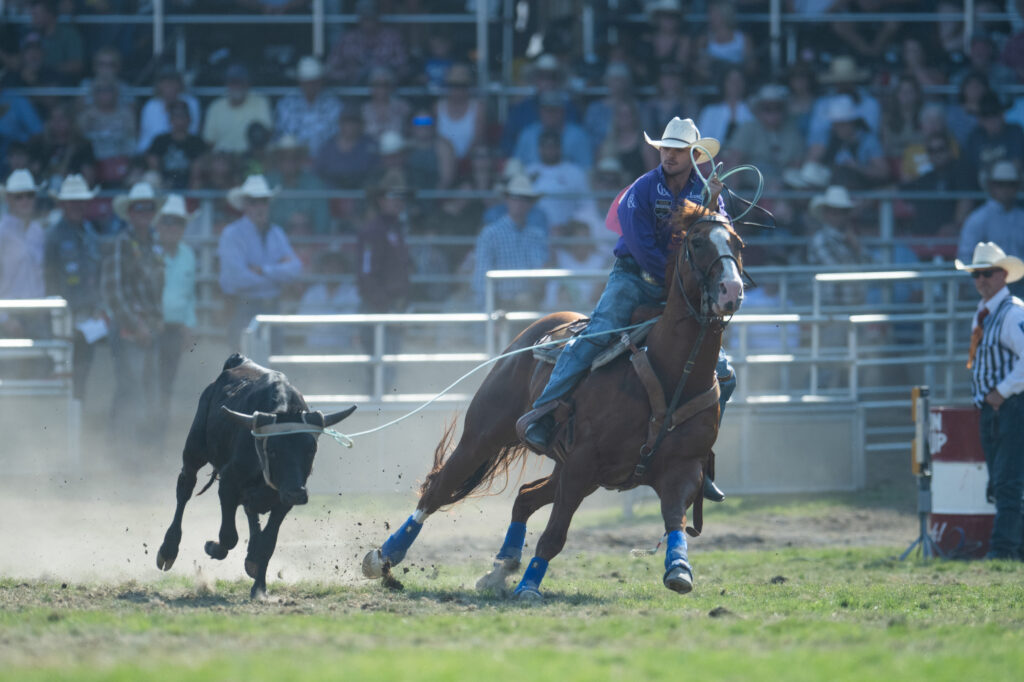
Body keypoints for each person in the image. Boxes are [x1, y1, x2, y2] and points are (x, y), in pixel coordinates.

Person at [520, 117, 733, 504]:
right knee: (596, 335)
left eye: (677, 150)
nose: (668, 155)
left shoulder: (710, 192)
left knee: (722, 372)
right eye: (664, 149)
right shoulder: (642, 189)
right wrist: (676, 285)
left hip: (679, 289)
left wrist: (713, 204)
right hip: (635, 279)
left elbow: (720, 236)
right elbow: (639, 246)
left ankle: (699, 458)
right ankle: (542, 413)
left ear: (693, 156)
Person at [956, 241, 1024, 560]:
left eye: (986, 273)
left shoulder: (1012, 314)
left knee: (1007, 482)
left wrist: (1004, 390)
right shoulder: (985, 315)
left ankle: (1003, 550)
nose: (981, 280)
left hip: (1011, 408)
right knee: (1002, 482)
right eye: (976, 274)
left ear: (1002, 276)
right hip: (996, 409)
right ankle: (1013, 548)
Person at [101, 182, 165, 449]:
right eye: (139, 208)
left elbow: (156, 290)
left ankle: (138, 448)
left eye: (148, 208)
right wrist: (136, 326)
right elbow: (113, 293)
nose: (144, 213)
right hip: (130, 328)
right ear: (130, 212)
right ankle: (119, 446)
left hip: (148, 327)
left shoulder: (153, 244)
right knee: (129, 385)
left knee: (147, 386)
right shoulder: (121, 244)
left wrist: (156, 320)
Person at [218, 174, 303, 349]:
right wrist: (278, 273)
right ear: (245, 205)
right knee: (245, 369)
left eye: (263, 201)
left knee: (273, 367)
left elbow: (295, 268)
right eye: (253, 202)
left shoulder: (276, 233)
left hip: (271, 308)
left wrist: (262, 270)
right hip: (243, 307)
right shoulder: (232, 234)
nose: (259, 207)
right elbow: (236, 279)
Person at [44, 174, 104, 400]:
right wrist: (56, 318)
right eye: (72, 201)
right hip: (63, 317)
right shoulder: (54, 235)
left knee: (82, 372)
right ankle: (68, 423)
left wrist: (98, 306)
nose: (77, 206)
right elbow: (49, 279)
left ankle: (76, 422)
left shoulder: (90, 234)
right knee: (65, 373)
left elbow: (97, 275)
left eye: (80, 201)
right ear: (63, 204)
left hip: (88, 317)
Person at [472, 175, 548, 309]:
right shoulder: (491, 233)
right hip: (500, 304)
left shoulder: (537, 235)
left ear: (530, 204)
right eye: (515, 198)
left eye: (524, 199)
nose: (519, 203)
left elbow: (539, 273)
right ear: (507, 200)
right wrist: (489, 310)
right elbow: (481, 278)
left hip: (529, 303)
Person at [154, 194, 196, 417]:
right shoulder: (148, 252)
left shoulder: (188, 255)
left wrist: (188, 325)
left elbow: (190, 295)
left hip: (174, 330)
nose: (172, 227)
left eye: (178, 222)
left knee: (167, 383)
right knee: (149, 382)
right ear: (159, 224)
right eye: (168, 221)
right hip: (151, 327)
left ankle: (159, 433)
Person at [957, 161, 1024, 296]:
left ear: (1017, 187)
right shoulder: (978, 219)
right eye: (1000, 183)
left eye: (1010, 184)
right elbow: (966, 259)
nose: (1005, 188)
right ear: (990, 186)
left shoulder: (1021, 217)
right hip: (988, 289)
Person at [0, 170, 46, 339]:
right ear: (9, 199)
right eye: (19, 196)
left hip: (37, 315)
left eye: (29, 195)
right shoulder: (1, 233)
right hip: (8, 316)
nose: (25, 200)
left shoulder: (38, 231)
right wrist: (3, 319)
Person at [274, 56, 343, 155]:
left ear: (321, 81)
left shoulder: (334, 105)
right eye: (306, 81)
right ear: (300, 82)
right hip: (293, 161)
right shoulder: (286, 105)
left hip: (326, 160)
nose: (310, 85)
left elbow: (338, 139)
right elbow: (281, 137)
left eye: (314, 81)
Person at [265, 135, 331, 233]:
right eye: (284, 157)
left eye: (294, 157)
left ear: (300, 159)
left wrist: (306, 227)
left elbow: (322, 223)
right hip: (275, 243)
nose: (289, 161)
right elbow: (263, 219)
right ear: (277, 160)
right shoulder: (267, 183)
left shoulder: (315, 184)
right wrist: (288, 221)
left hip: (309, 243)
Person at [202, 64, 272, 154]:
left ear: (248, 84)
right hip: (224, 158)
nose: (237, 86)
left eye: (241, 82)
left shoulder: (260, 102)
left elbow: (268, 133)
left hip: (251, 156)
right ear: (227, 84)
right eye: (233, 82)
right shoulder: (215, 107)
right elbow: (209, 141)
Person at [136, 66, 201, 154]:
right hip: (155, 152)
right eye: (165, 83)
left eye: (173, 82)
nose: (170, 87)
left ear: (180, 84)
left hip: (185, 151)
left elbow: (193, 132)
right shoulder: (150, 106)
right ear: (159, 85)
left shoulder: (191, 103)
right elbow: (146, 137)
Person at [146, 100, 207, 191]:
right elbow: (152, 161)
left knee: (198, 182)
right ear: (170, 119)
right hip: (164, 182)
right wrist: (163, 181)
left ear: (189, 119)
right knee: (151, 177)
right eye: (176, 117)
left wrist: (191, 183)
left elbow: (198, 167)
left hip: (188, 182)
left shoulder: (196, 141)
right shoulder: (160, 140)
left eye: (183, 117)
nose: (180, 120)